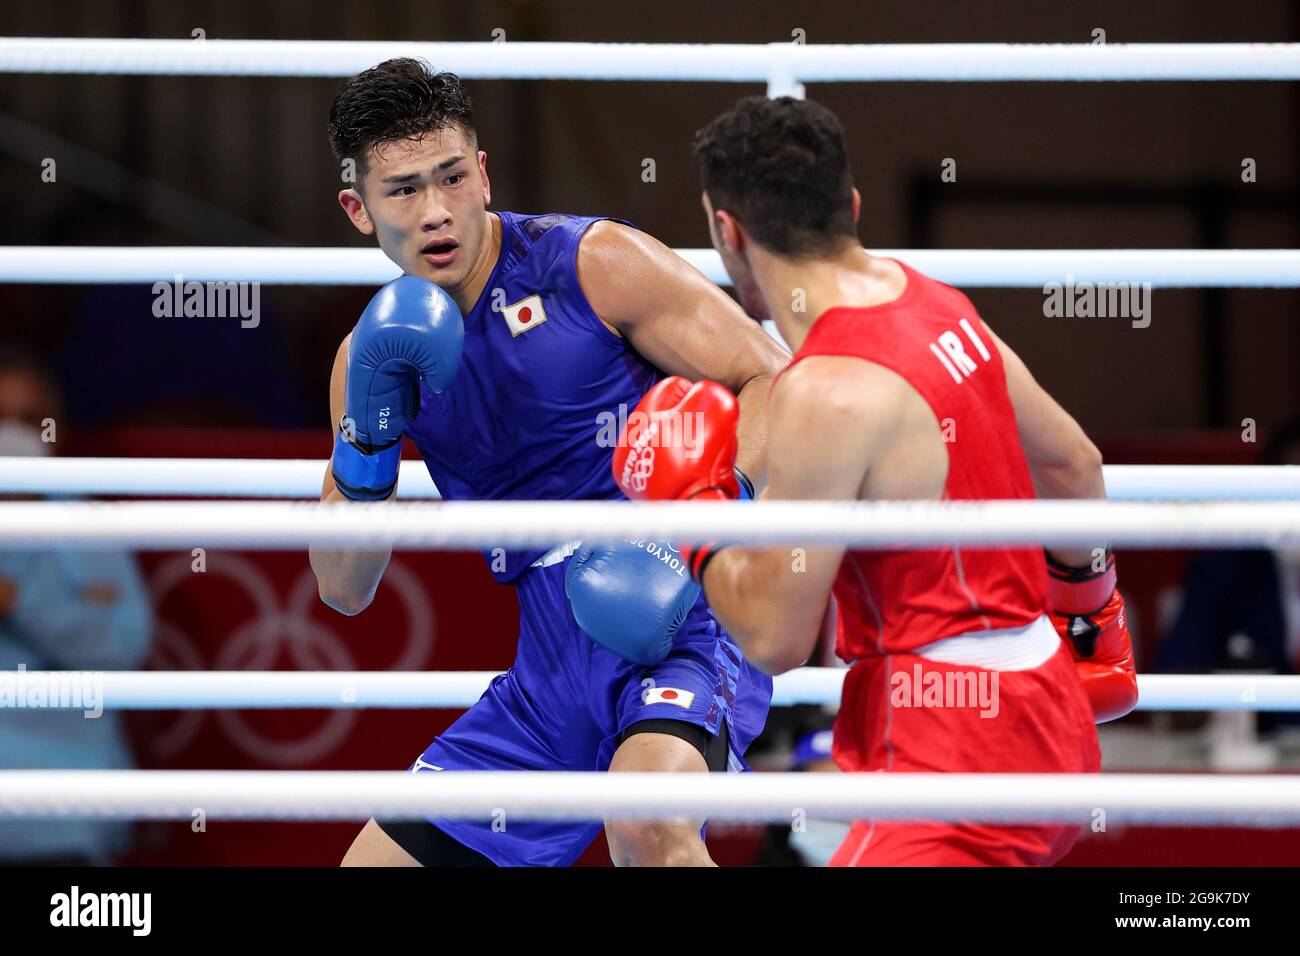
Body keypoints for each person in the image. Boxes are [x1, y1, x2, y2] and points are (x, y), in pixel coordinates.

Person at [614, 95, 1138, 866]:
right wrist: (1091, 620)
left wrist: (689, 508)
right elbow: (1072, 462)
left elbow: (775, 637)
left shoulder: (824, 390)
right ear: (851, 205)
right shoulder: (940, 304)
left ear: (728, 232)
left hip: (950, 756)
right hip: (1047, 705)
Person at [310, 60, 788, 867]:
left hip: (687, 623)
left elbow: (774, 376)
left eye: (452, 177)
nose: (435, 213)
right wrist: (366, 444)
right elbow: (343, 588)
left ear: (483, 174)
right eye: (402, 191)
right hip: (548, 671)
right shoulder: (368, 359)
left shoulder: (591, 264)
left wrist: (697, 524)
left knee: (645, 820)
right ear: (359, 210)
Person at [0, 346, 154, 865]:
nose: (13, 434)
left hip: (67, 824)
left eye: (28, 420)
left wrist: (18, 600)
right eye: (1, 419)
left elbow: (123, 646)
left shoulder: (90, 524)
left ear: (56, 429)